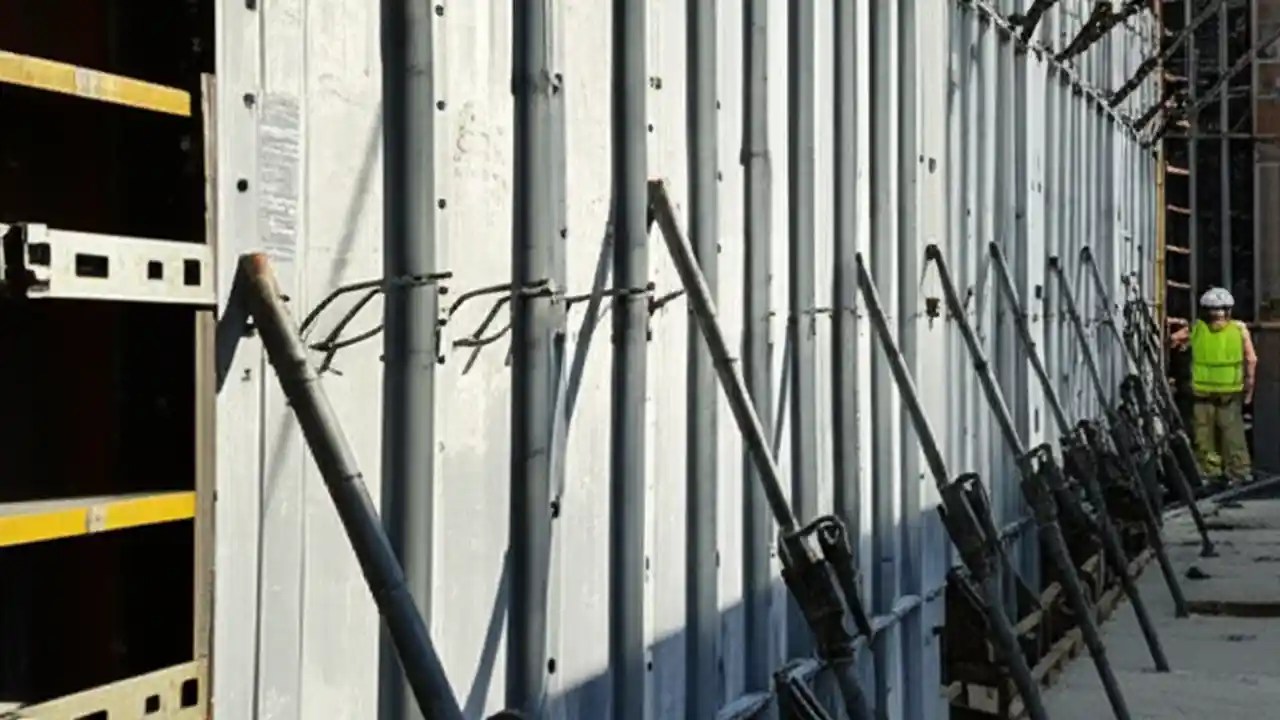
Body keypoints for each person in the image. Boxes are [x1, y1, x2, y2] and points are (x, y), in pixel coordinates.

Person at [1170, 287, 1257, 487]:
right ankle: (1238, 473)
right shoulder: (1239, 329)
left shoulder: (1197, 329)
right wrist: (1249, 390)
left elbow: (1173, 341)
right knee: (1232, 435)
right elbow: (1251, 359)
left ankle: (1211, 473)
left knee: (1205, 437)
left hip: (1204, 394)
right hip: (1228, 393)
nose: (1217, 314)